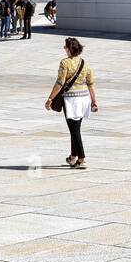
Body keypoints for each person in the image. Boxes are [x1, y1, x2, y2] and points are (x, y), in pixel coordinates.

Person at [45, 37, 98, 169]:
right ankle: (73, 156)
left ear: (69, 49)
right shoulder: (85, 63)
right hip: (84, 99)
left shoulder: (65, 63)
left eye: (65, 47)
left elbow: (60, 83)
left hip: (71, 100)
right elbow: (91, 84)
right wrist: (94, 101)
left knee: (74, 130)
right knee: (76, 129)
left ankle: (82, 158)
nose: (64, 49)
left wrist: (50, 98)